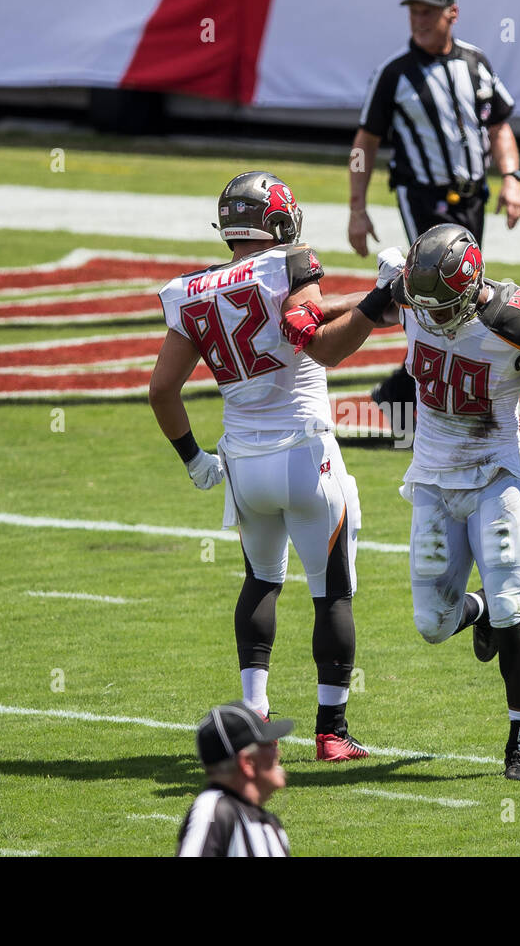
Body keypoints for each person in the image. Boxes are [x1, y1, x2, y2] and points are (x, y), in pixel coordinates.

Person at [286, 223, 520, 780]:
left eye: (441, 307)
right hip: (432, 481)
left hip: (495, 475)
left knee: (512, 607)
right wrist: (318, 322)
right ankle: (476, 611)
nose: (428, 317)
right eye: (420, 305)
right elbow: (341, 342)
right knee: (433, 624)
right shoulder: (410, 294)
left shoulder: (518, 320)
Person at [149, 171, 373, 762]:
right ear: (280, 221)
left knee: (261, 581)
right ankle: (332, 731)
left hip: (242, 461)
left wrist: (192, 458)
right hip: (305, 451)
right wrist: (381, 301)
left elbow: (162, 389)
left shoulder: (189, 290)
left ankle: (253, 715)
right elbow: (316, 336)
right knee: (333, 594)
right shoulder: (292, 262)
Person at [349, 0, 520, 424]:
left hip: (471, 196)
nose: (419, 20)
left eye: (428, 12)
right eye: (414, 12)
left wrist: (510, 177)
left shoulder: (476, 63)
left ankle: (434, 387)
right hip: (423, 197)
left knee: (464, 294)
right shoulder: (395, 73)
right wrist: (357, 206)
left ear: (453, 14)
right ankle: (406, 395)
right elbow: (365, 141)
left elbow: (499, 122)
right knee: (433, 293)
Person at [176, 702, 294, 857]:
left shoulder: (270, 825)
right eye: (269, 744)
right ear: (248, 763)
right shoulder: (212, 811)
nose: (278, 752)